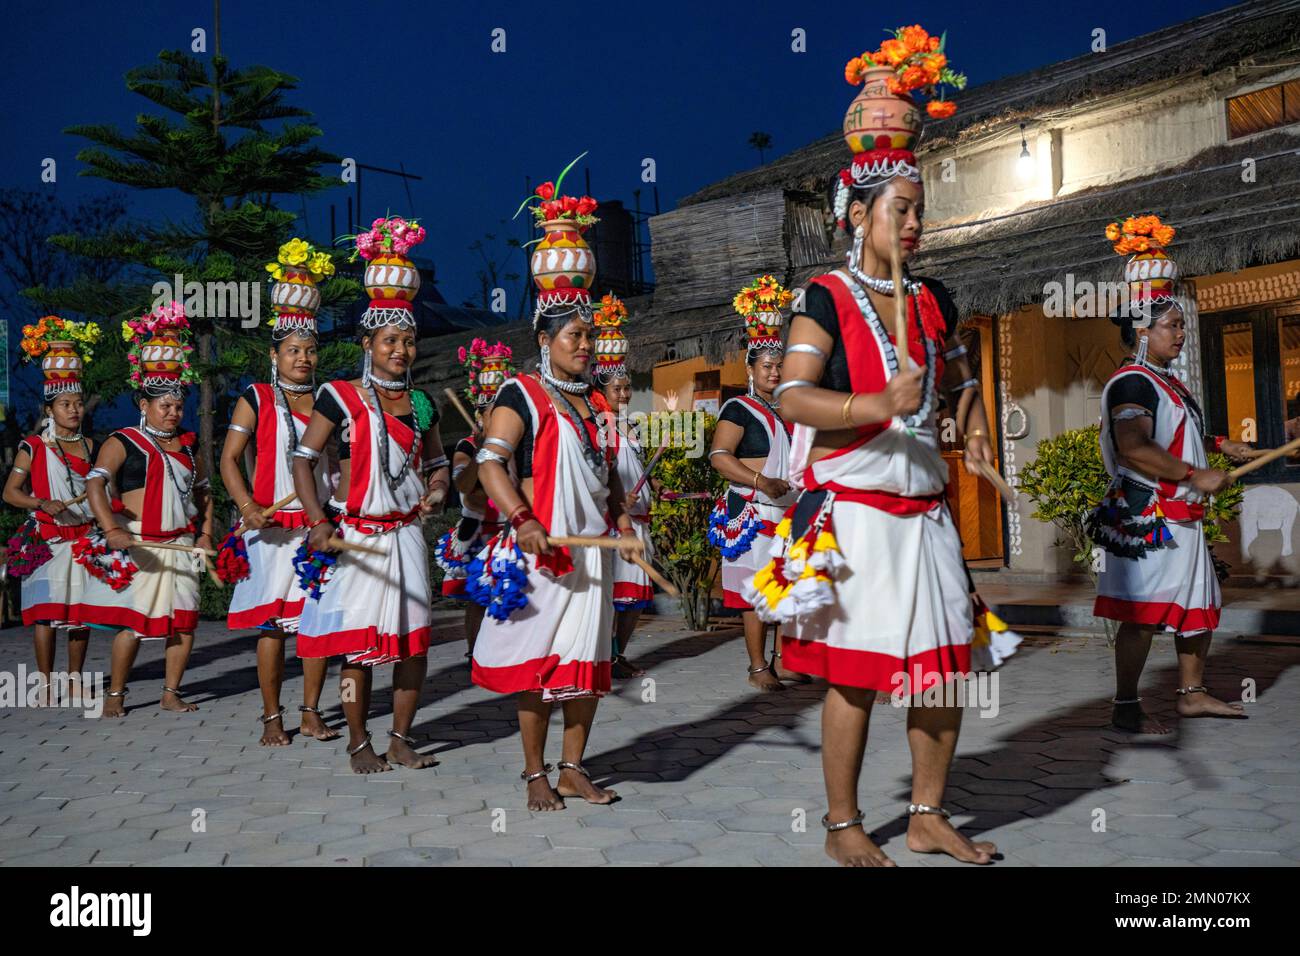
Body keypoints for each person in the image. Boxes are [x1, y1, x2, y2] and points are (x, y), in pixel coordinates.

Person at [768, 32, 1001, 865]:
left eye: (918, 207)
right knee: (858, 672)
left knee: (943, 667)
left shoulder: (935, 296)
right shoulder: (822, 297)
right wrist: (874, 403)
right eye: (899, 208)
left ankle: (928, 813)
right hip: (858, 514)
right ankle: (841, 824)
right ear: (857, 214)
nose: (914, 221)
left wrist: (968, 425)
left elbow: (961, 379)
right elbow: (791, 397)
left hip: (926, 510)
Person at [469, 180, 641, 811]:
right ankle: (534, 771)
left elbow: (607, 466)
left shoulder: (595, 398)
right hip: (544, 548)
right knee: (540, 664)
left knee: (586, 666)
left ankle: (573, 766)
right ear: (545, 339)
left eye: (589, 337)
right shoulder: (522, 393)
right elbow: (491, 463)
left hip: (591, 549)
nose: (586, 346)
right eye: (575, 337)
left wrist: (620, 508)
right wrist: (521, 520)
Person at [1090, 216, 1262, 734]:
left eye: (1182, 324)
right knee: (1143, 613)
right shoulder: (1132, 384)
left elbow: (1172, 431)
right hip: (1148, 516)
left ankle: (1190, 694)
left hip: (1180, 516)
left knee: (1197, 604)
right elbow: (1134, 447)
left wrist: (1221, 445)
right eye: (1172, 325)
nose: (1182, 333)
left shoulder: (1166, 386)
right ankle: (1125, 707)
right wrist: (1194, 473)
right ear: (1142, 329)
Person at [292, 214, 450, 773]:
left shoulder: (423, 403)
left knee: (413, 646)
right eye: (390, 340)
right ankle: (359, 741)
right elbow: (303, 459)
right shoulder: (339, 396)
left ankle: (401, 738)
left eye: (408, 339)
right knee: (359, 647)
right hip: (355, 535)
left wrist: (435, 488)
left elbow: (437, 464)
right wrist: (318, 521)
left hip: (406, 535)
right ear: (368, 343)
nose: (401, 349)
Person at [220, 246, 340, 745]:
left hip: (317, 521)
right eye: (292, 350)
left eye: (309, 350)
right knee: (272, 625)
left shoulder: (331, 397)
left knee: (315, 619)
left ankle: (311, 712)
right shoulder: (256, 397)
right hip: (270, 527)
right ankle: (273, 716)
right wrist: (247, 506)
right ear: (274, 354)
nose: (303, 358)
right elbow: (228, 459)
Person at [77, 302, 213, 718]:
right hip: (142, 546)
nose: (173, 413)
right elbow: (94, 482)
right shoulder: (124, 440)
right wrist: (109, 527)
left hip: (182, 544)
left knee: (185, 621)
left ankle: (171, 692)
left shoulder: (189, 447)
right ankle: (116, 694)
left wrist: (206, 533)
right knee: (135, 625)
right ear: (144, 403)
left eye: (177, 406)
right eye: (164, 406)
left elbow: (203, 495)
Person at [708, 276, 801, 691]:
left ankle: (786, 659)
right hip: (752, 508)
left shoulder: (791, 409)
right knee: (755, 593)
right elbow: (720, 457)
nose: (774, 372)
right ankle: (758, 666)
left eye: (779, 366)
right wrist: (762, 481)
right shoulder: (739, 408)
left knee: (785, 585)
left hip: (788, 508)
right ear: (750, 368)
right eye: (767, 366)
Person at [4, 318, 99, 704]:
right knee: (45, 614)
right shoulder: (33, 446)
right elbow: (11, 492)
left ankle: (74, 679)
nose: (74, 410)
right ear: (50, 408)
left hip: (84, 539)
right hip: (46, 539)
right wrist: (42, 502)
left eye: (77, 403)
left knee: (79, 614)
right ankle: (45, 684)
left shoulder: (93, 446)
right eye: (65, 404)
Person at [592, 294, 658, 678]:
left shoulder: (630, 427)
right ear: (603, 391)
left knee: (634, 600)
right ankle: (603, 655)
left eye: (627, 387)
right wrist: (619, 500)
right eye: (617, 389)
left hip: (641, 522)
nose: (625, 393)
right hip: (615, 525)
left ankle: (617, 654)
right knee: (614, 598)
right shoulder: (599, 427)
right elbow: (598, 476)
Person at [436, 338, 514, 658]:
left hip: (510, 528)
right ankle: (474, 653)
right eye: (487, 411)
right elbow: (467, 488)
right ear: (479, 413)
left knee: (509, 597)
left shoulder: (515, 443)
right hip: (482, 532)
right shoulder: (467, 446)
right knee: (479, 600)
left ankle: (507, 652)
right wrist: (482, 452)